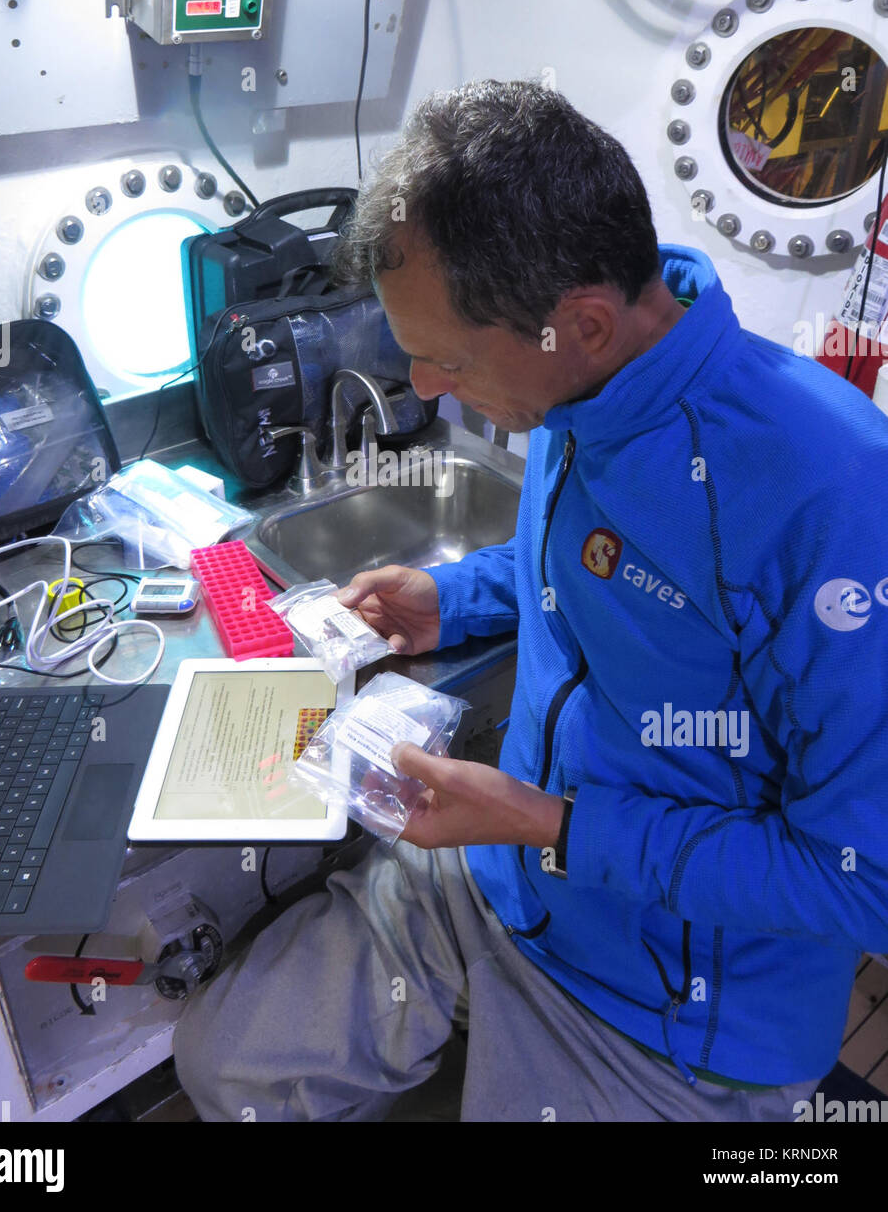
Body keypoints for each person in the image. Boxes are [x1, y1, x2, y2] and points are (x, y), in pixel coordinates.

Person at [173, 79, 888, 1121]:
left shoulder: (835, 499)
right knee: (229, 1062)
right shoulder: (583, 385)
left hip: (670, 1018)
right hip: (503, 874)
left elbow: (860, 881)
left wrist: (555, 824)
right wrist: (451, 598)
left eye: (445, 357)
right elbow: (602, 568)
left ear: (583, 322)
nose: (421, 387)